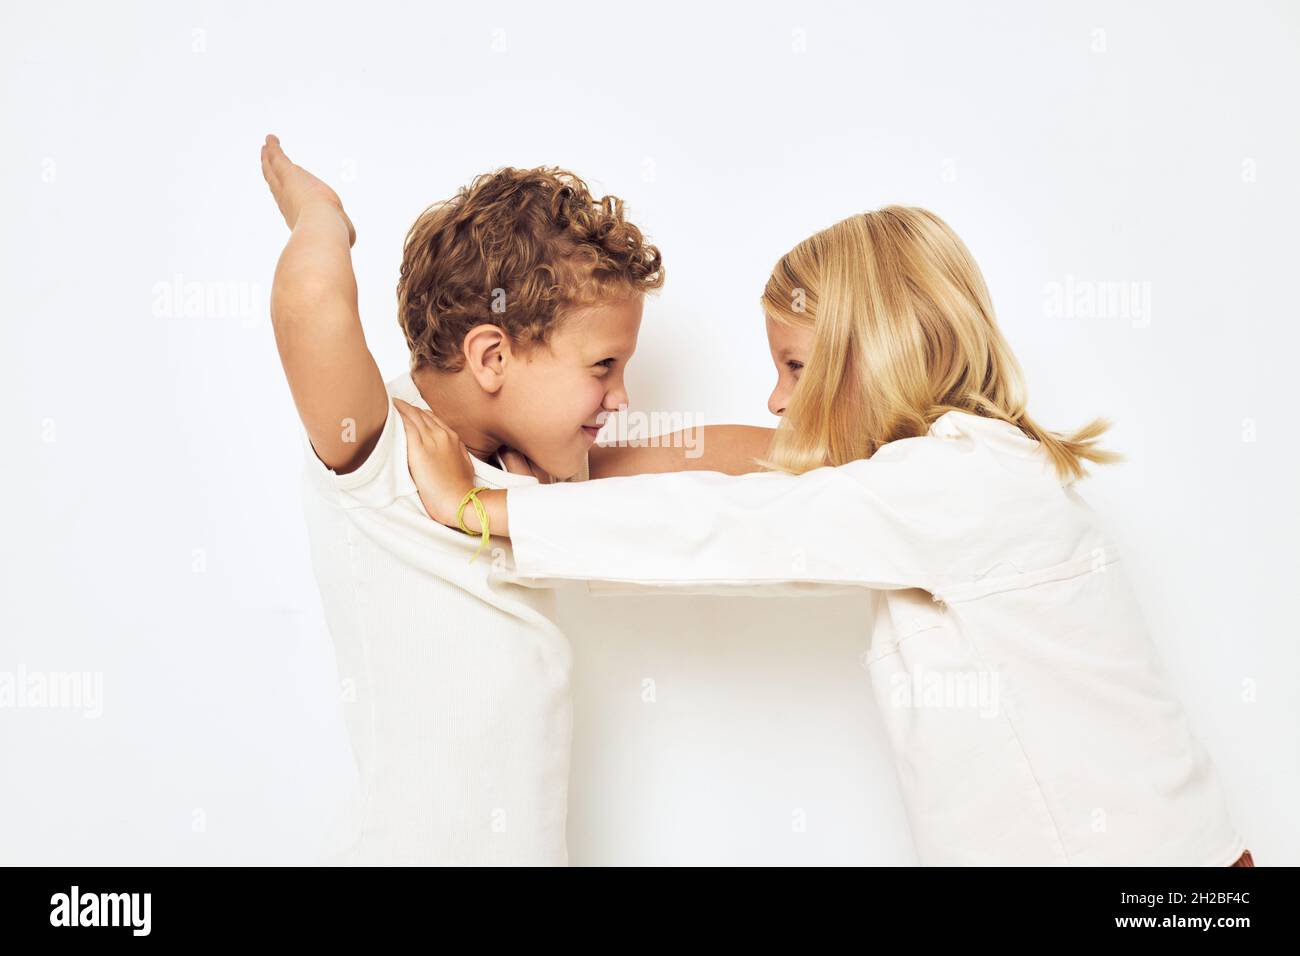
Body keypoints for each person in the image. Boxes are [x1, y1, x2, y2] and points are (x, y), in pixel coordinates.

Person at [396, 205, 1252, 866]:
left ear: (878, 351)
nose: (778, 398)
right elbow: (752, 468)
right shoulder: (950, 475)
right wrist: (567, 468)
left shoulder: (961, 487)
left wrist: (486, 510)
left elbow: (741, 526)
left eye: (797, 367)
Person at [259, 135, 772, 864]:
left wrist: (859, 440)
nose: (621, 399)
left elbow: (707, 455)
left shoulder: (534, 480)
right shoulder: (380, 448)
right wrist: (321, 218)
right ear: (492, 357)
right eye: (604, 367)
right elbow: (310, 301)